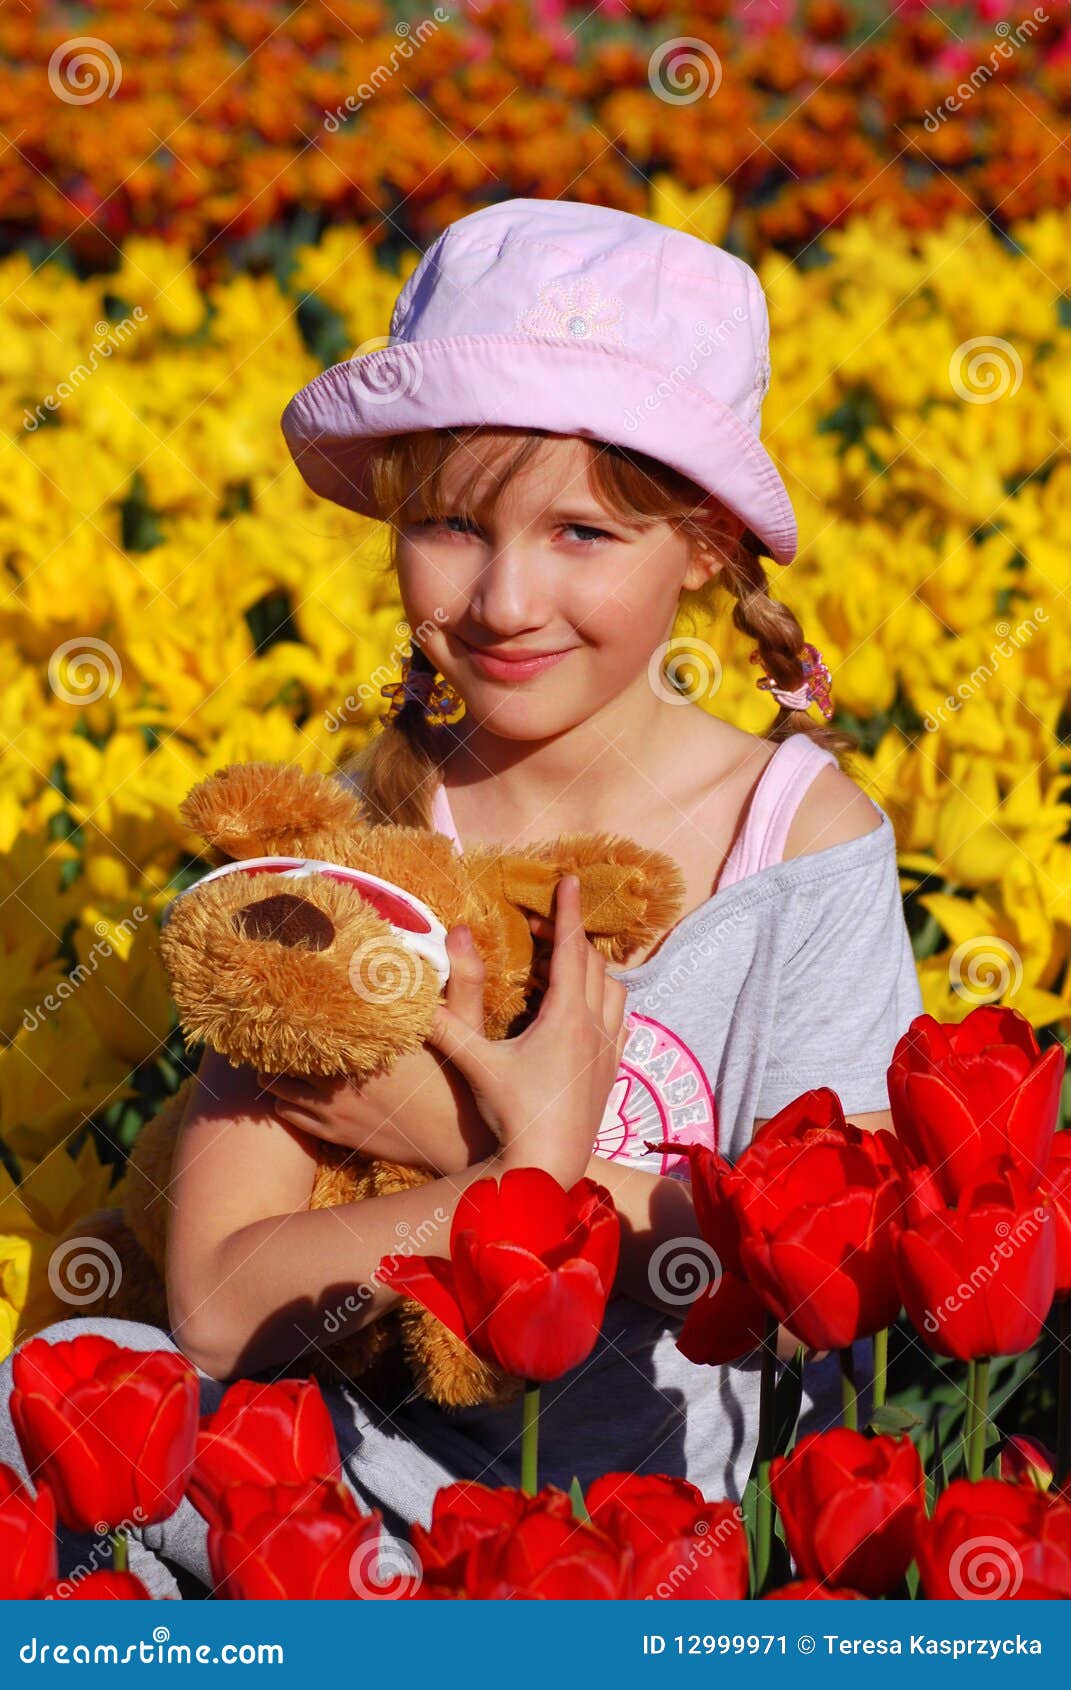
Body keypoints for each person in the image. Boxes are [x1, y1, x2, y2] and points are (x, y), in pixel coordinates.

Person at [0, 198, 923, 1598]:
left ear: (710, 547)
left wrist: (505, 1150)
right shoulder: (368, 827)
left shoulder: (798, 853)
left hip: (629, 1543)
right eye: (447, 523)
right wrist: (519, 1178)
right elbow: (208, 1299)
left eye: (583, 535)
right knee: (64, 1384)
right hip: (317, 1514)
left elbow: (820, 1287)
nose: (502, 598)